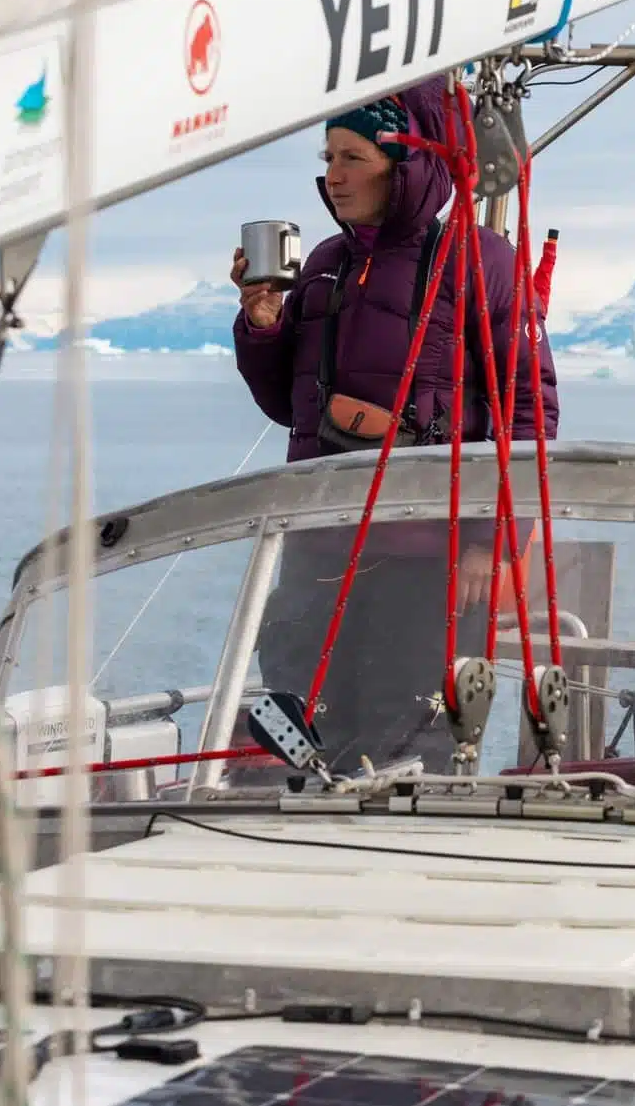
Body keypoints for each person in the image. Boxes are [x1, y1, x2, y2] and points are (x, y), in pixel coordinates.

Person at [230, 80, 560, 773]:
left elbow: (528, 413)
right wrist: (262, 327)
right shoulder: (325, 266)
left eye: (352, 156)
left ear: (401, 163)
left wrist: (488, 543)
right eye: (328, 156)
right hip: (320, 555)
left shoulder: (482, 265)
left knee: (410, 753)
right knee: (302, 744)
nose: (334, 175)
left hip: (427, 568)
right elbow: (293, 410)